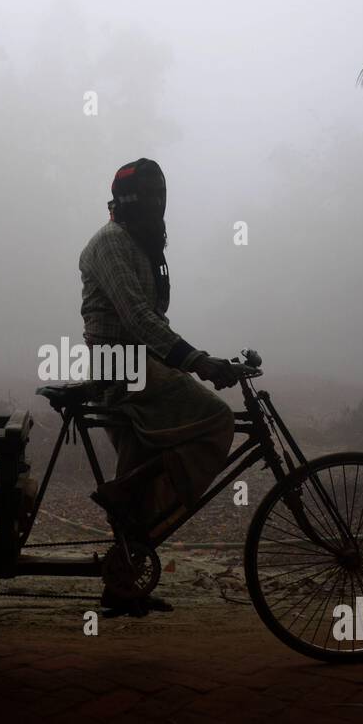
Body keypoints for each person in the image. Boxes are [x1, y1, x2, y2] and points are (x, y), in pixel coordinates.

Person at [79, 158, 239, 607]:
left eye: (159, 197)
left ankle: (124, 577)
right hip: (120, 365)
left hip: (139, 363)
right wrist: (197, 361)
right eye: (147, 198)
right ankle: (129, 502)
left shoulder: (140, 244)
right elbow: (137, 316)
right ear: (127, 201)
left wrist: (189, 360)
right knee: (215, 418)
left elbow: (151, 319)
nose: (155, 206)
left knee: (143, 460)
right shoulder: (111, 243)